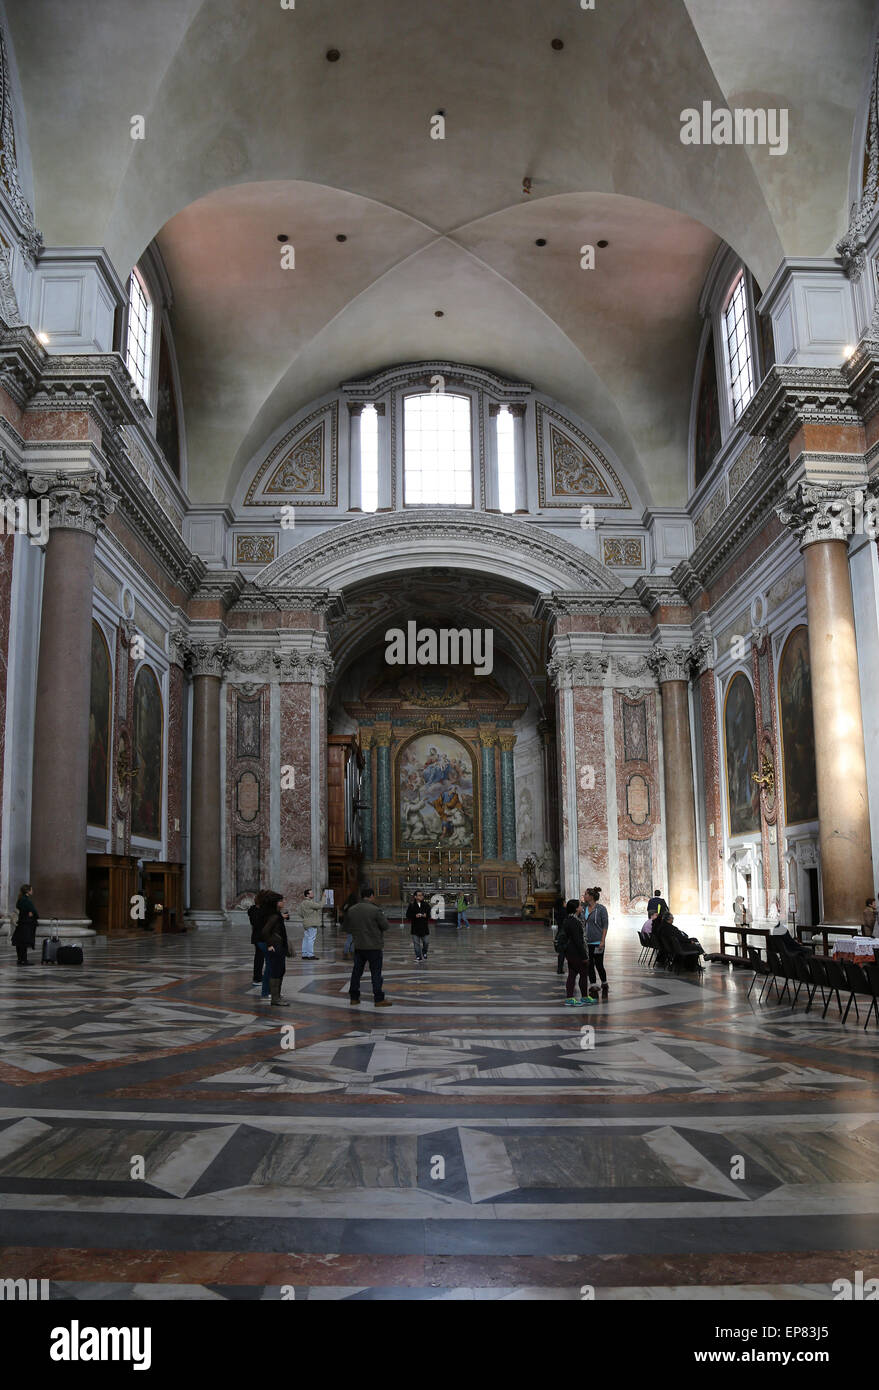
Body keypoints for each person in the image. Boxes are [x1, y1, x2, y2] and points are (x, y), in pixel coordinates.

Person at [346, 887, 392, 1006]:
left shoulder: (352, 909)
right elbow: (385, 926)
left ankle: (354, 998)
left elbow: (346, 927)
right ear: (371, 896)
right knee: (376, 973)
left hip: (359, 945)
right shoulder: (375, 910)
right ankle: (378, 999)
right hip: (374, 946)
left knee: (356, 972)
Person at [554, 899, 596, 1006]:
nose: (582, 907)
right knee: (583, 973)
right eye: (580, 906)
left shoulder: (568, 919)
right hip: (575, 952)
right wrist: (584, 956)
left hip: (570, 952)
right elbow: (578, 941)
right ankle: (584, 997)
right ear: (576, 908)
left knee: (572, 974)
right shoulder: (574, 922)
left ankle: (570, 997)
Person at [258, 891, 292, 1007]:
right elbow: (265, 931)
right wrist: (270, 945)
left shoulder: (276, 914)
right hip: (276, 946)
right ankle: (275, 998)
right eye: (281, 900)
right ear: (276, 903)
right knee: (276, 970)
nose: (283, 902)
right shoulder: (274, 916)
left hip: (279, 945)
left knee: (281, 970)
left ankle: (276, 996)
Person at [584, 886, 610, 997]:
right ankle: (593, 984)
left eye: (585, 894)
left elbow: (605, 925)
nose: (584, 896)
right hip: (587, 942)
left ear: (591, 897)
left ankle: (604, 982)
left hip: (598, 941)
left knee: (599, 964)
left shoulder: (601, 909)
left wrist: (602, 940)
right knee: (589, 964)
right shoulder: (584, 907)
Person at [248, 890, 271, 988]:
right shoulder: (257, 911)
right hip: (261, 936)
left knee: (260, 957)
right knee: (261, 958)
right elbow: (258, 923)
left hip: (258, 936)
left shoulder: (255, 909)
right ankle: (258, 978)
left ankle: (258, 977)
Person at [12, 884, 38, 966]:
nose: (32, 891)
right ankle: (24, 960)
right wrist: (32, 913)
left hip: (21, 923)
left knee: (19, 943)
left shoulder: (20, 899)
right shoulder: (26, 900)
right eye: (31, 889)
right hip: (26, 924)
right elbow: (34, 911)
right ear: (27, 891)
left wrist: (30, 912)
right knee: (24, 943)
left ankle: (20, 959)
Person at [296, 888, 322, 960]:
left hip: (306, 922)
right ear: (307, 894)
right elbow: (320, 906)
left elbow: (299, 913)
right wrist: (324, 898)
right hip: (312, 923)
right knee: (311, 938)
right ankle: (310, 954)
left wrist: (305, 917)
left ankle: (304, 954)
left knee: (306, 938)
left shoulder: (302, 903)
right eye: (311, 893)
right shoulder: (309, 902)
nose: (313, 894)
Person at [407, 889, 431, 963]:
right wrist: (415, 915)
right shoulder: (411, 905)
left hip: (424, 927)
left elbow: (429, 915)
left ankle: (424, 952)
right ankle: (418, 956)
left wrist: (425, 915)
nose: (421, 897)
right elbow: (408, 915)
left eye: (422, 895)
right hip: (415, 927)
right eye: (419, 895)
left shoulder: (426, 905)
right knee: (416, 944)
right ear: (415, 897)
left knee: (426, 942)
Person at [341, 886, 360, 958]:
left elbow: (343, 909)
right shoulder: (356, 905)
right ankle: (347, 952)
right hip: (354, 924)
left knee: (351, 939)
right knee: (351, 939)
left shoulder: (347, 904)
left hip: (347, 923)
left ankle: (351, 952)